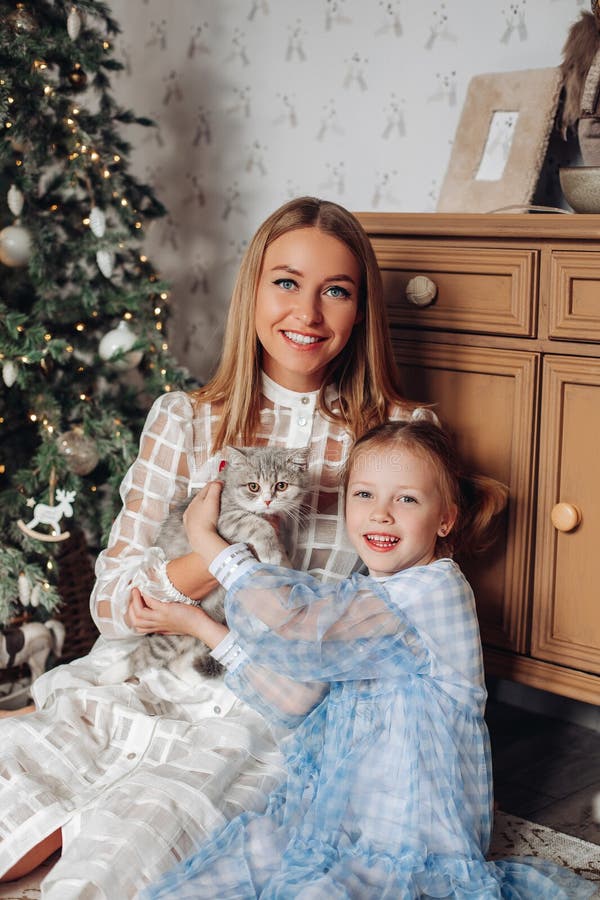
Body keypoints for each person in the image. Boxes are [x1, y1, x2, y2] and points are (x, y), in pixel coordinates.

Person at [0, 197, 422, 899]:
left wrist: (218, 579)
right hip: (141, 677)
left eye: (336, 291)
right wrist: (210, 553)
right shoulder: (184, 418)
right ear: (253, 291)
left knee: (125, 860)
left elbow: (399, 624)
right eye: (286, 282)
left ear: (361, 310)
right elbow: (111, 604)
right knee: (19, 795)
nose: (308, 314)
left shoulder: (398, 434)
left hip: (264, 711)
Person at [144, 420, 595, 899]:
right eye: (363, 495)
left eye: (406, 499)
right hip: (340, 816)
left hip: (410, 832)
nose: (380, 514)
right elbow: (299, 698)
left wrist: (208, 539)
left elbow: (291, 623)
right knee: (229, 872)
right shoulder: (361, 594)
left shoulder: (433, 591)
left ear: (445, 519)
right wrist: (197, 624)